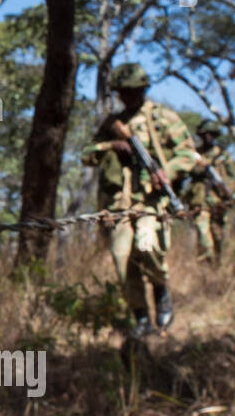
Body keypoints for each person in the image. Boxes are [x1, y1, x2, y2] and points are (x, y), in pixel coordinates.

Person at [82, 63, 197, 339]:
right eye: (123, 91)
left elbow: (188, 154)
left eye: (134, 90)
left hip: (151, 202)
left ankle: (161, 290)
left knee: (147, 247)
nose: (129, 96)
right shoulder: (113, 124)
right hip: (119, 204)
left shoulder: (162, 118)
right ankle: (141, 317)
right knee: (122, 259)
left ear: (144, 89)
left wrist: (167, 172)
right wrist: (112, 146)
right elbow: (87, 154)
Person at [184, 119, 235, 263]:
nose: (208, 137)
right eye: (205, 134)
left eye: (211, 134)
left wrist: (230, 192)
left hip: (219, 201)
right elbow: (187, 171)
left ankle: (217, 265)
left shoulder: (222, 155)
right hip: (200, 199)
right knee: (202, 231)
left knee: (218, 235)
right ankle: (205, 264)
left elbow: (232, 176)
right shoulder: (195, 154)